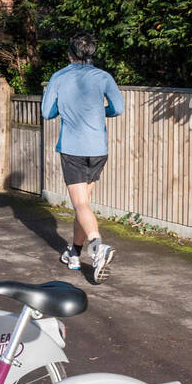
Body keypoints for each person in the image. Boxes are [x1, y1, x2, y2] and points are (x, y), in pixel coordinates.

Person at [41, 31, 124, 282]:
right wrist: (99, 110)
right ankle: (75, 254)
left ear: (70, 54)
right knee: (84, 205)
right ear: (92, 53)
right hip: (98, 149)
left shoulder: (58, 77)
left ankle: (98, 247)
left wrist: (63, 108)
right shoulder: (103, 77)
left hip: (74, 148)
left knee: (79, 205)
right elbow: (117, 108)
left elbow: (47, 113)